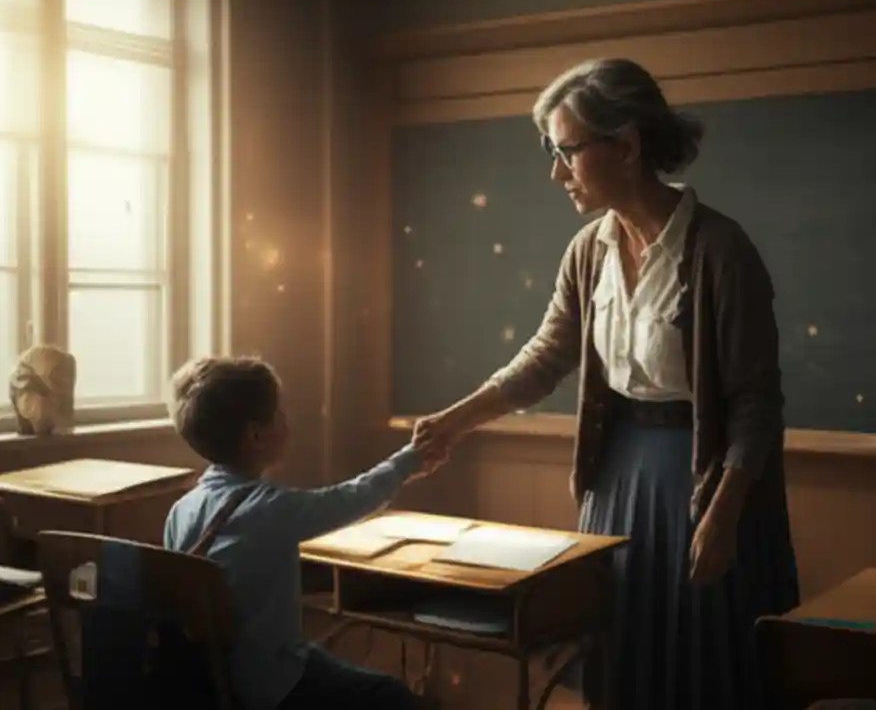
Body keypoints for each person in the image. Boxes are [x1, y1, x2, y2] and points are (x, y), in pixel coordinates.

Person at [412, 58, 799, 709]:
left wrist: (726, 513)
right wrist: (453, 421)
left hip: (705, 480)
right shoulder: (588, 250)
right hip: (618, 472)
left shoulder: (721, 252)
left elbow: (757, 405)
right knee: (623, 653)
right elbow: (544, 359)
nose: (556, 172)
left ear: (625, 145)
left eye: (567, 151)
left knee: (703, 661)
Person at [164, 356, 446, 710]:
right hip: (271, 685)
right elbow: (353, 498)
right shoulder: (271, 508)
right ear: (255, 435)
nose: (287, 422)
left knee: (317, 655)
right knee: (394, 697)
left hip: (211, 682)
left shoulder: (181, 511)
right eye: (279, 415)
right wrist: (411, 458)